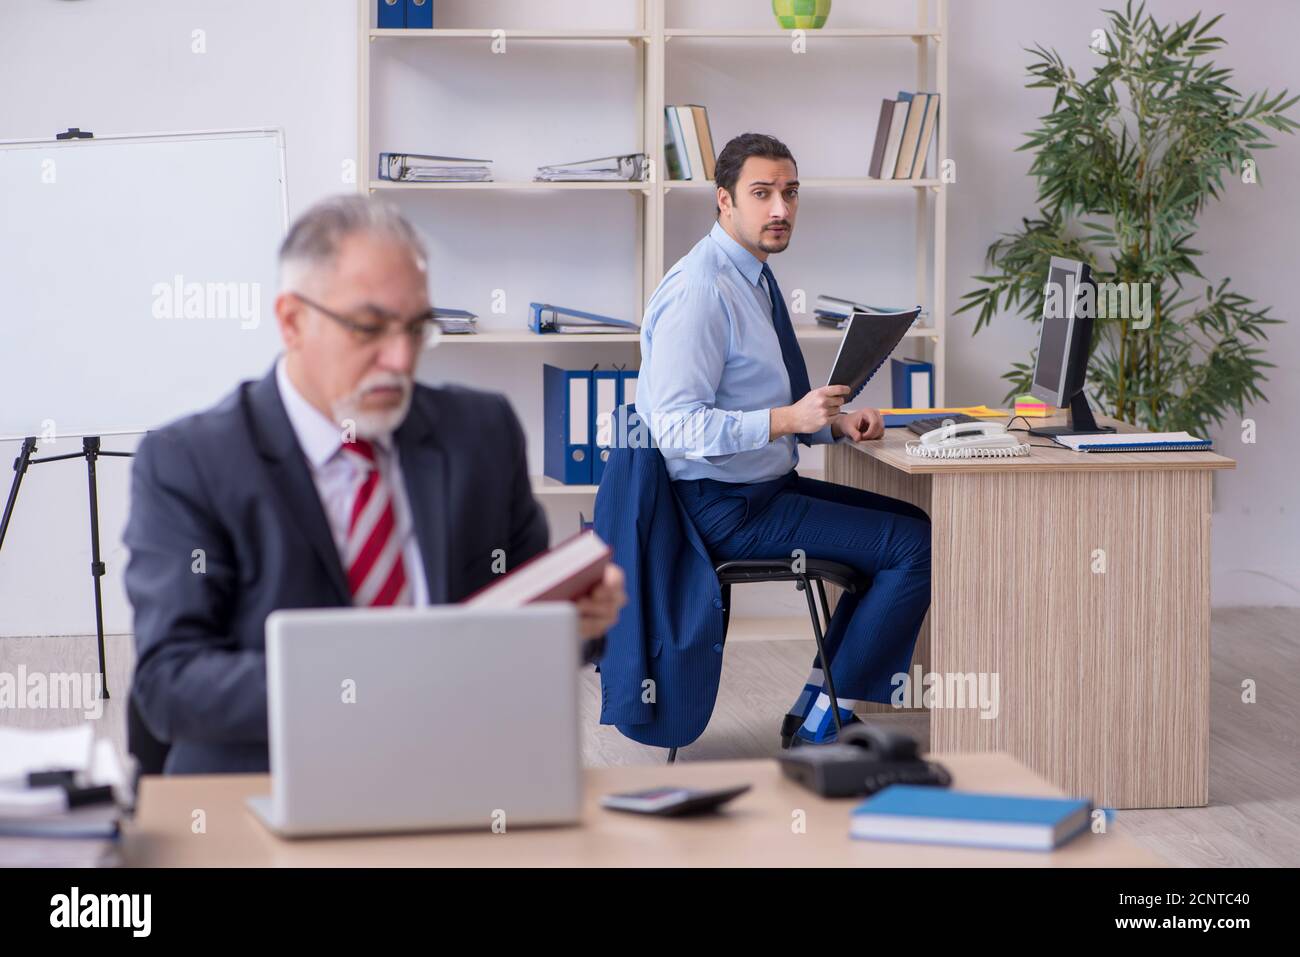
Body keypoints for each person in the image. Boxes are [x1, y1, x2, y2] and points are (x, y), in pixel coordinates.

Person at [124, 195, 625, 773]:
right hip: (268, 782)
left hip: (453, 777)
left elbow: (521, 615)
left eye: (416, 328)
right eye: (369, 328)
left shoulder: (481, 434)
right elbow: (171, 685)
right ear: (292, 321)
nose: (400, 357)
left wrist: (578, 622)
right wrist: (376, 684)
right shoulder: (190, 462)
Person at [634, 133, 930, 745]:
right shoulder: (700, 291)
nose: (780, 210)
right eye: (762, 193)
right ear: (724, 200)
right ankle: (825, 728)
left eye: (790, 194)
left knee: (916, 531)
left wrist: (831, 421)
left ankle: (814, 708)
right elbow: (674, 426)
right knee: (914, 548)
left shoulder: (754, 279)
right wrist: (786, 421)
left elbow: (764, 400)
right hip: (721, 508)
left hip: (763, 488)